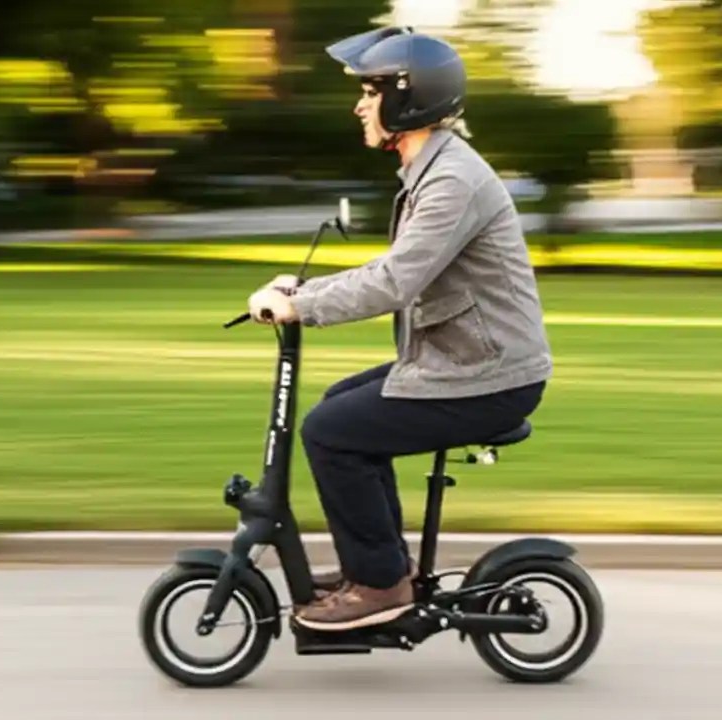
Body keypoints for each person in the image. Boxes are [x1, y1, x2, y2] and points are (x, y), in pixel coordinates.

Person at [245, 26, 553, 632]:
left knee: (332, 432)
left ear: (409, 99)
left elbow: (394, 282)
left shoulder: (452, 182)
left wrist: (301, 306)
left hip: (489, 376)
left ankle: (381, 585)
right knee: (341, 408)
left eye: (371, 91)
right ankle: (382, 568)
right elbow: (395, 268)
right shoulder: (433, 171)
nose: (360, 106)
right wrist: (301, 291)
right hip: (463, 361)